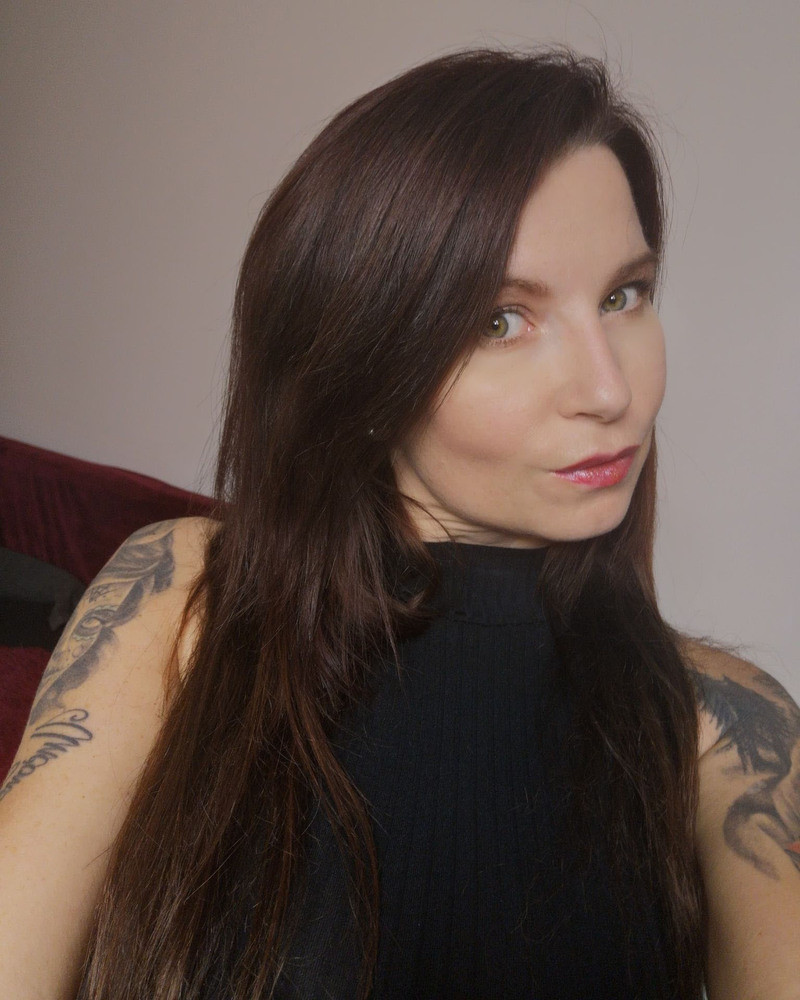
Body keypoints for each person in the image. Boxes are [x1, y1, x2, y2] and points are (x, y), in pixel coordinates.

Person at [1, 47, 798, 1000]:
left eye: (624, 296)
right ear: (364, 359)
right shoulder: (182, 597)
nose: (610, 389)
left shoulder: (723, 721)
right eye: (501, 320)